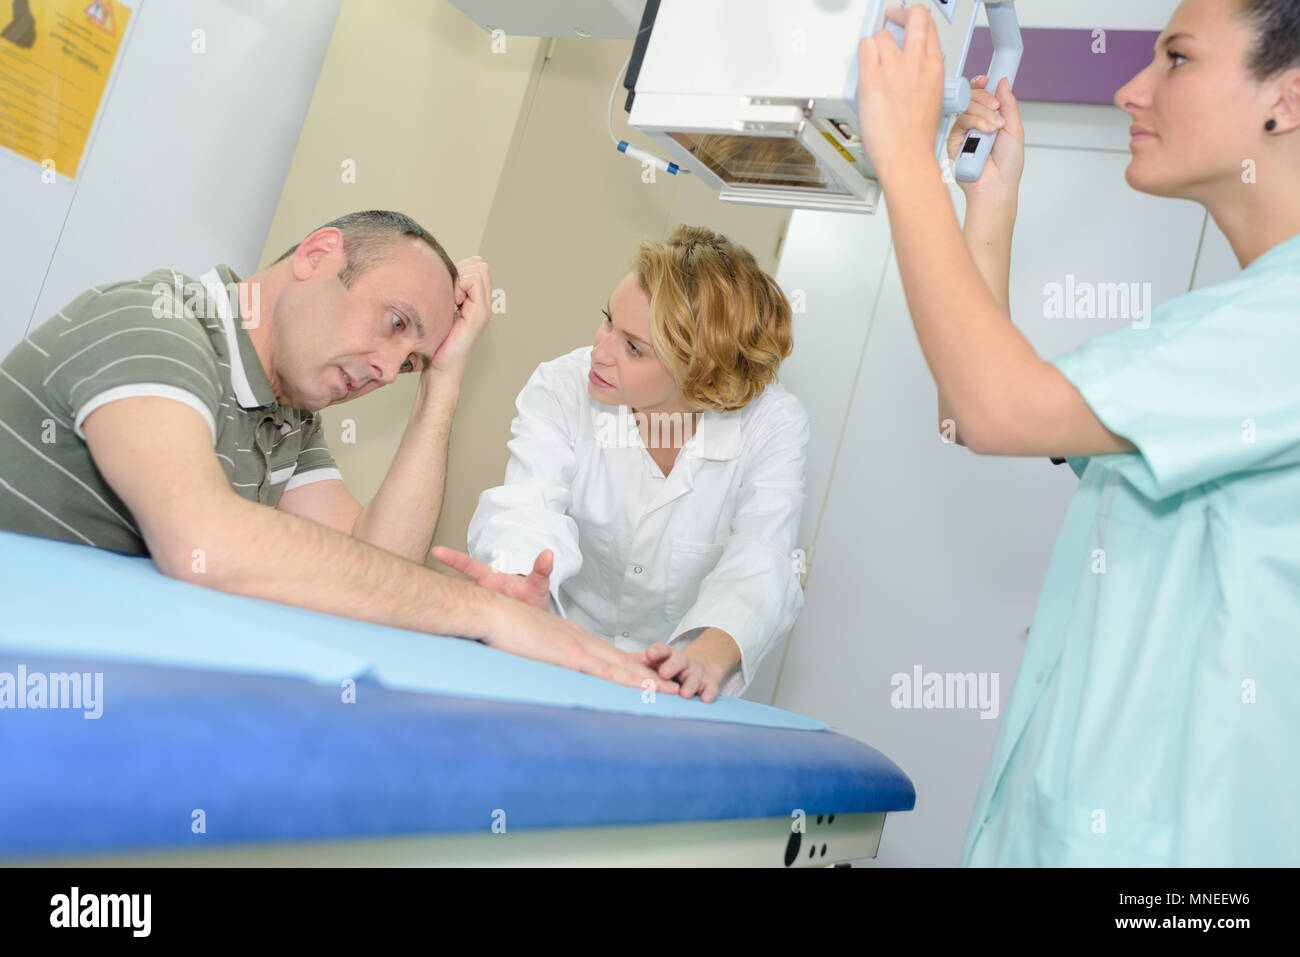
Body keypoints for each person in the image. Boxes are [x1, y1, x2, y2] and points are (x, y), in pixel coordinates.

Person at [855, 0, 1300, 865]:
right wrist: (989, 203)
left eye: (1175, 59)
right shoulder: (1231, 323)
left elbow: (997, 409)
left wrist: (905, 158)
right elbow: (975, 407)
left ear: (1286, 99)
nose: (1131, 91)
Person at [0, 210, 679, 695]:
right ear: (318, 254)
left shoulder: (288, 412)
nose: (388, 369)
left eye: (410, 359)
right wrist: (485, 612)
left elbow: (375, 561)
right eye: (394, 324)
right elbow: (202, 539)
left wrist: (442, 381)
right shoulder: (153, 323)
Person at [434, 226, 810, 703]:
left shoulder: (771, 424)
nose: (599, 350)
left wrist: (704, 660)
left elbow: (762, 559)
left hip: (680, 685)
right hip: (559, 656)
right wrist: (521, 586)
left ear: (703, 372)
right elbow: (527, 506)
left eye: (633, 347)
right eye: (608, 320)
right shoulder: (562, 386)